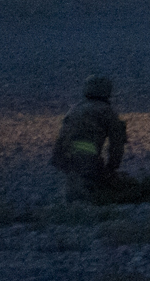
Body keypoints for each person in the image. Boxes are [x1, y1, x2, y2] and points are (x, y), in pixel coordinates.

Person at [51, 74, 127, 202]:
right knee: (96, 189)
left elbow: (62, 137)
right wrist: (112, 167)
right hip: (87, 157)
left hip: (63, 155)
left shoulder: (75, 109)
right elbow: (117, 144)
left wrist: (58, 159)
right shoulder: (106, 111)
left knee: (74, 183)